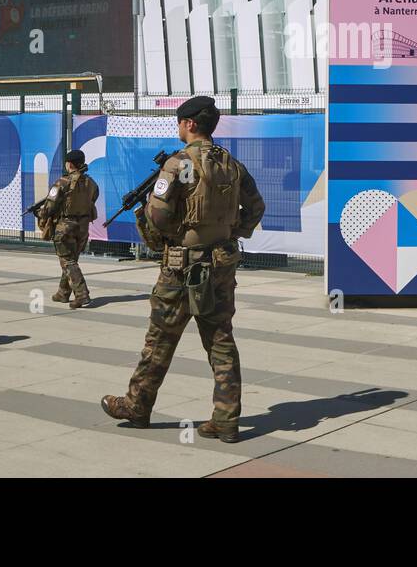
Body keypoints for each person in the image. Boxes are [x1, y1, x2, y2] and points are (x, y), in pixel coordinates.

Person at [101, 95, 265, 442]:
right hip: (220, 265)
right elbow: (256, 206)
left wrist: (172, 235)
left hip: (180, 268)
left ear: (189, 124)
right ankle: (225, 419)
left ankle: (137, 405)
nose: (178, 127)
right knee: (221, 341)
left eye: (179, 122)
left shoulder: (178, 164)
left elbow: (158, 215)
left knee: (160, 339)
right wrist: (231, 233)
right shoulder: (232, 165)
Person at [36, 149, 99, 309]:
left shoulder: (62, 182)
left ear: (69, 164)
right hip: (83, 227)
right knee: (71, 260)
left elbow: (49, 207)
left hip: (66, 227)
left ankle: (82, 295)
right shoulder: (91, 183)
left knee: (68, 261)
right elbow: (93, 198)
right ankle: (63, 293)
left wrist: (39, 213)